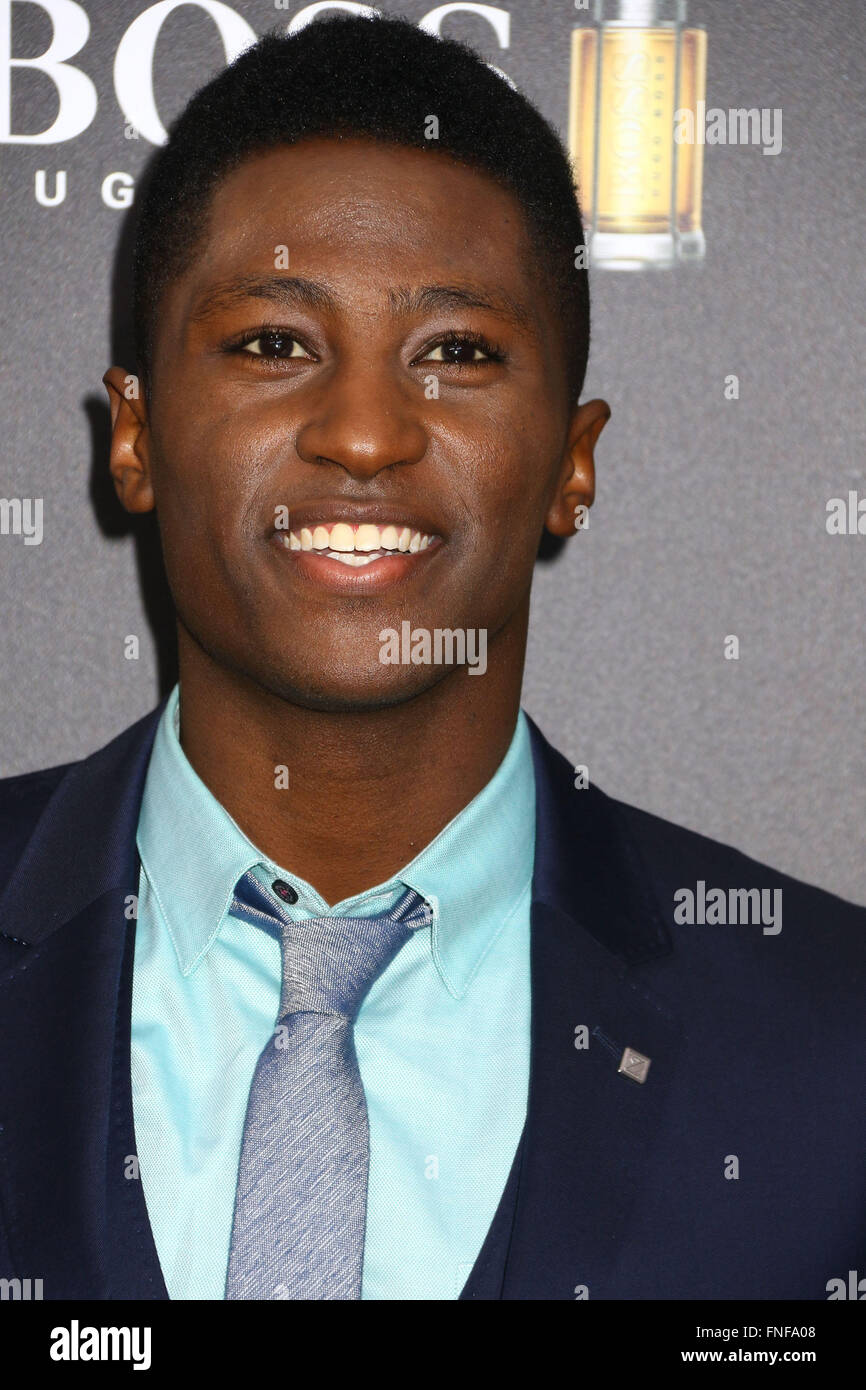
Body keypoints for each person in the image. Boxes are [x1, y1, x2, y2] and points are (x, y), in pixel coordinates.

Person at [0, 13, 862, 1303]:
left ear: (574, 461)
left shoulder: (834, 1048)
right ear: (134, 435)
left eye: (455, 353)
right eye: (273, 343)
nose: (362, 433)